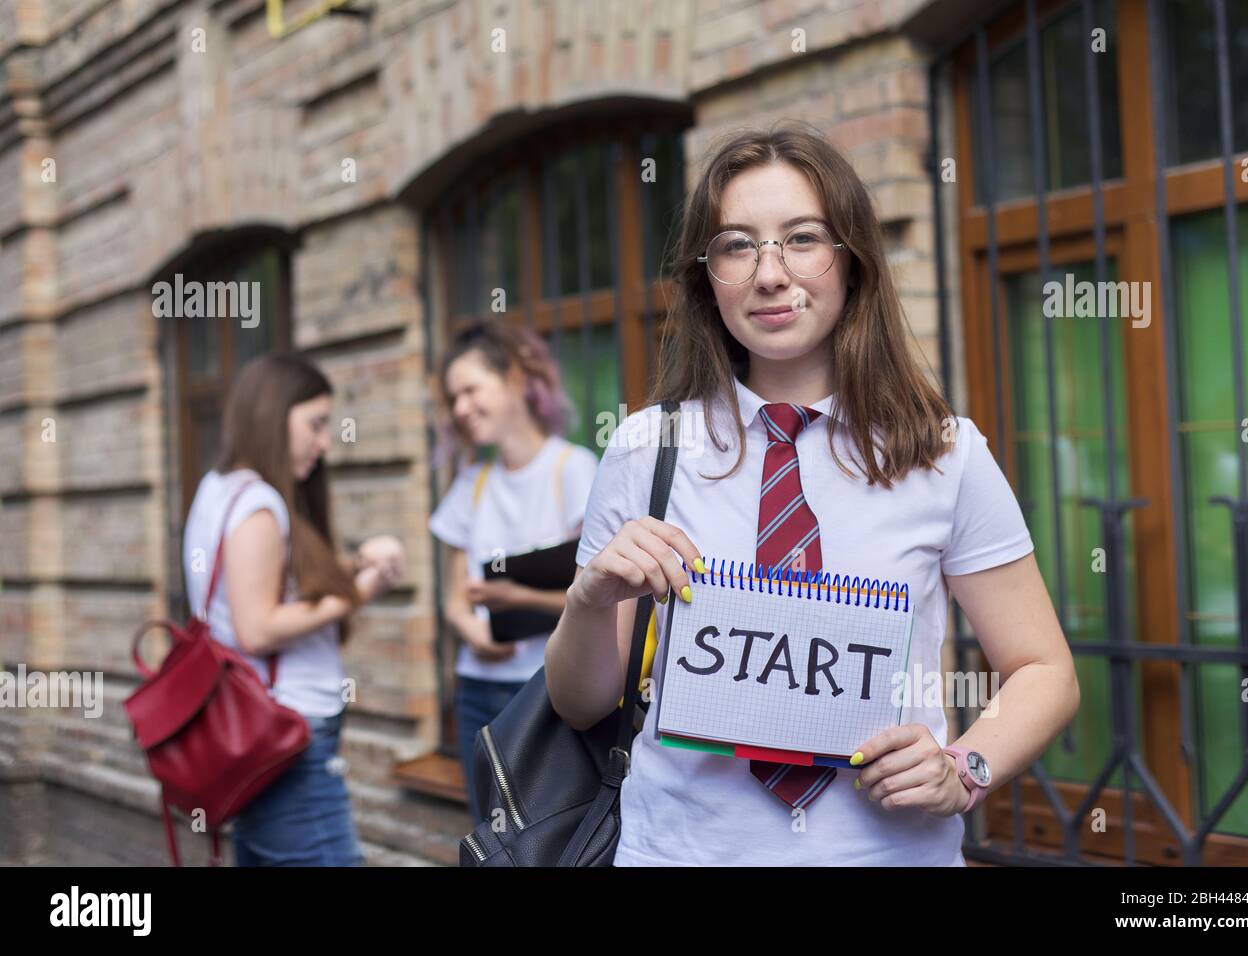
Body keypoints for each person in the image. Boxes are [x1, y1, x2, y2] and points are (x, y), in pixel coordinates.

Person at [545, 123, 1080, 866]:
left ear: (851, 261)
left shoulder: (945, 452)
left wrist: (967, 768)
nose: (770, 273)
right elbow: (581, 703)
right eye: (737, 244)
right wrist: (589, 598)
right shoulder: (646, 449)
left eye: (802, 239)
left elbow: (1044, 671)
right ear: (708, 276)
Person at [182, 351, 405, 866]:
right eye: (316, 424)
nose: (325, 443)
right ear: (273, 413)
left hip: (254, 733)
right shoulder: (260, 504)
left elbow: (255, 594)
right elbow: (257, 627)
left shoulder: (217, 489)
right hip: (288, 738)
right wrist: (359, 592)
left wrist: (347, 569)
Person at [428, 319, 598, 819]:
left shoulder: (573, 470)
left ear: (518, 381)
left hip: (547, 688)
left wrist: (520, 602)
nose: (461, 409)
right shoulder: (472, 484)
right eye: (453, 398)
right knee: (489, 835)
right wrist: (472, 633)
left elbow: (596, 598)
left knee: (546, 831)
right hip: (477, 691)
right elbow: (455, 600)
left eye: (471, 391)